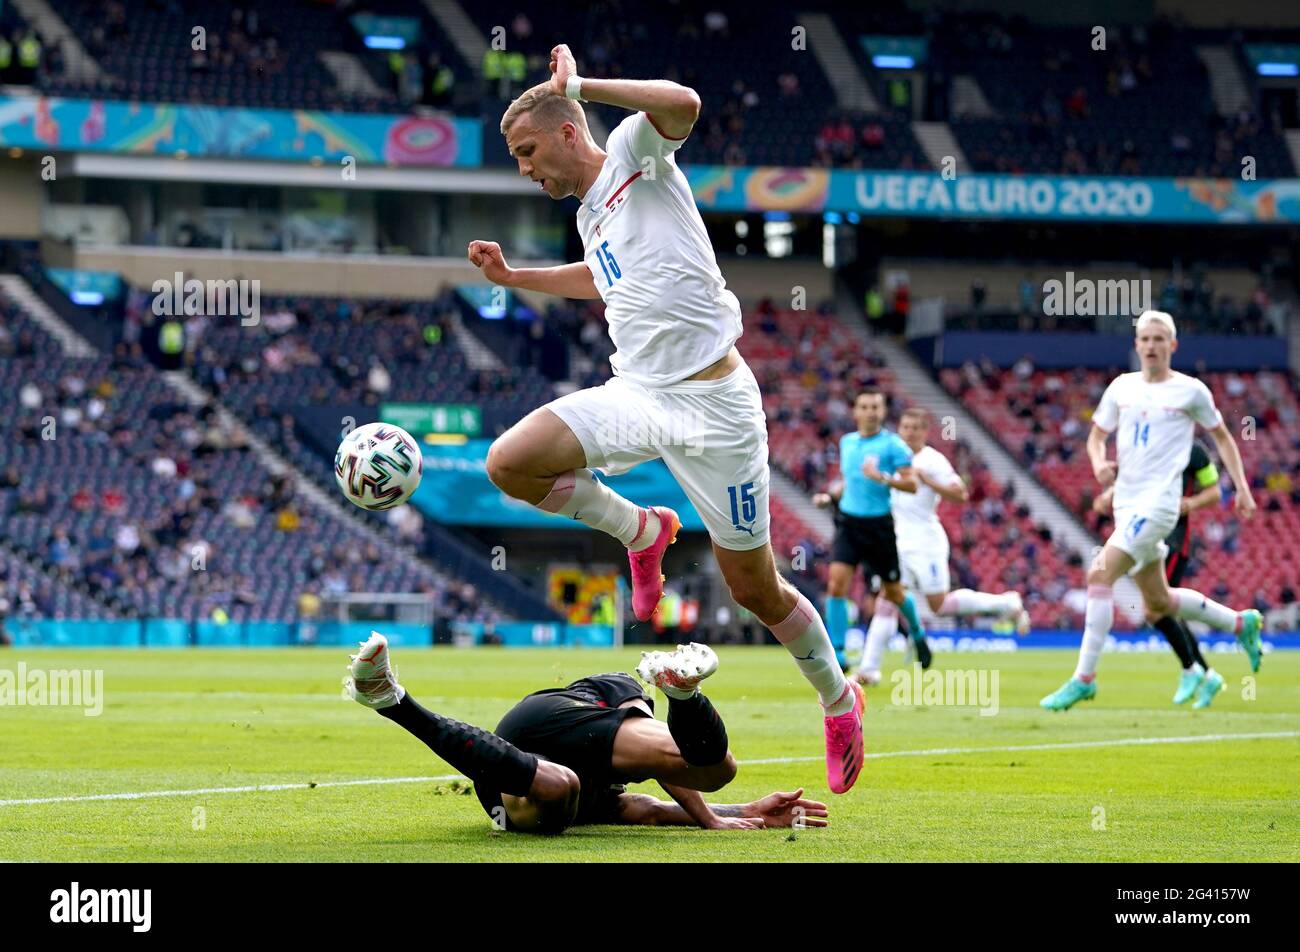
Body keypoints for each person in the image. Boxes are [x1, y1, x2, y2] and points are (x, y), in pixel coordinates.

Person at [467, 44, 864, 793]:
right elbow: (602, 276)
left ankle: (840, 701)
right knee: (510, 463)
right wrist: (515, 278)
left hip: (717, 409)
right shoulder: (590, 212)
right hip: (639, 395)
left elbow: (684, 101)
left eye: (525, 151)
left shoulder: (630, 151)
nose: (523, 167)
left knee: (756, 588)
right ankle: (639, 529)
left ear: (566, 131)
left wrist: (580, 85)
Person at [345, 633, 829, 833]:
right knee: (560, 787)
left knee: (720, 770)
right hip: (528, 742)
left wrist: (741, 812)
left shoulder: (609, 799)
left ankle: (683, 696)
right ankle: (391, 699)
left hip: (585, 702)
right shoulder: (589, 792)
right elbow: (650, 801)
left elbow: (653, 811)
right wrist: (711, 820)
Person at [1041, 311, 1263, 711]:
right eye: (1145, 339)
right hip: (1126, 504)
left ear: (1172, 346)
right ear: (1136, 345)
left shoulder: (1191, 391)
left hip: (1161, 507)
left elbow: (1225, 439)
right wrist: (1098, 466)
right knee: (1159, 603)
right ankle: (1239, 623)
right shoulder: (1121, 388)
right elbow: (1096, 438)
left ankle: (1084, 679)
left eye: (1159, 339)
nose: (1152, 345)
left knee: (1099, 573)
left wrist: (1242, 489)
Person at [852, 408, 1030, 685]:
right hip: (896, 541)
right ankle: (869, 670)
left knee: (939, 605)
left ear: (925, 432)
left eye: (915, 428)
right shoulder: (891, 455)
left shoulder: (933, 460)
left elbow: (961, 494)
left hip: (925, 542)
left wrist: (928, 481)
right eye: (905, 426)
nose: (909, 432)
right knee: (886, 600)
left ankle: (1006, 603)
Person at [1093, 437, 1227, 707]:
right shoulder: (1154, 440)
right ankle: (1206, 673)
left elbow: (1215, 492)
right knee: (1165, 609)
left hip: (1175, 539)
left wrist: (1191, 503)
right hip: (1146, 534)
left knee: (1157, 610)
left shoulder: (1195, 450)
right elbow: (1137, 481)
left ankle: (1195, 667)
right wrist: (1110, 494)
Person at [812, 390, 933, 674]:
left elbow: (912, 484)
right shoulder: (847, 443)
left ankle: (917, 633)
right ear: (855, 412)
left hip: (879, 527)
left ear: (882, 412)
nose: (870, 412)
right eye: (864, 406)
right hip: (849, 525)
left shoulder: (893, 446)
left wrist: (881, 477)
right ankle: (838, 654)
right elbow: (848, 481)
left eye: (875, 407)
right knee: (836, 585)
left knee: (893, 592)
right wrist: (829, 497)